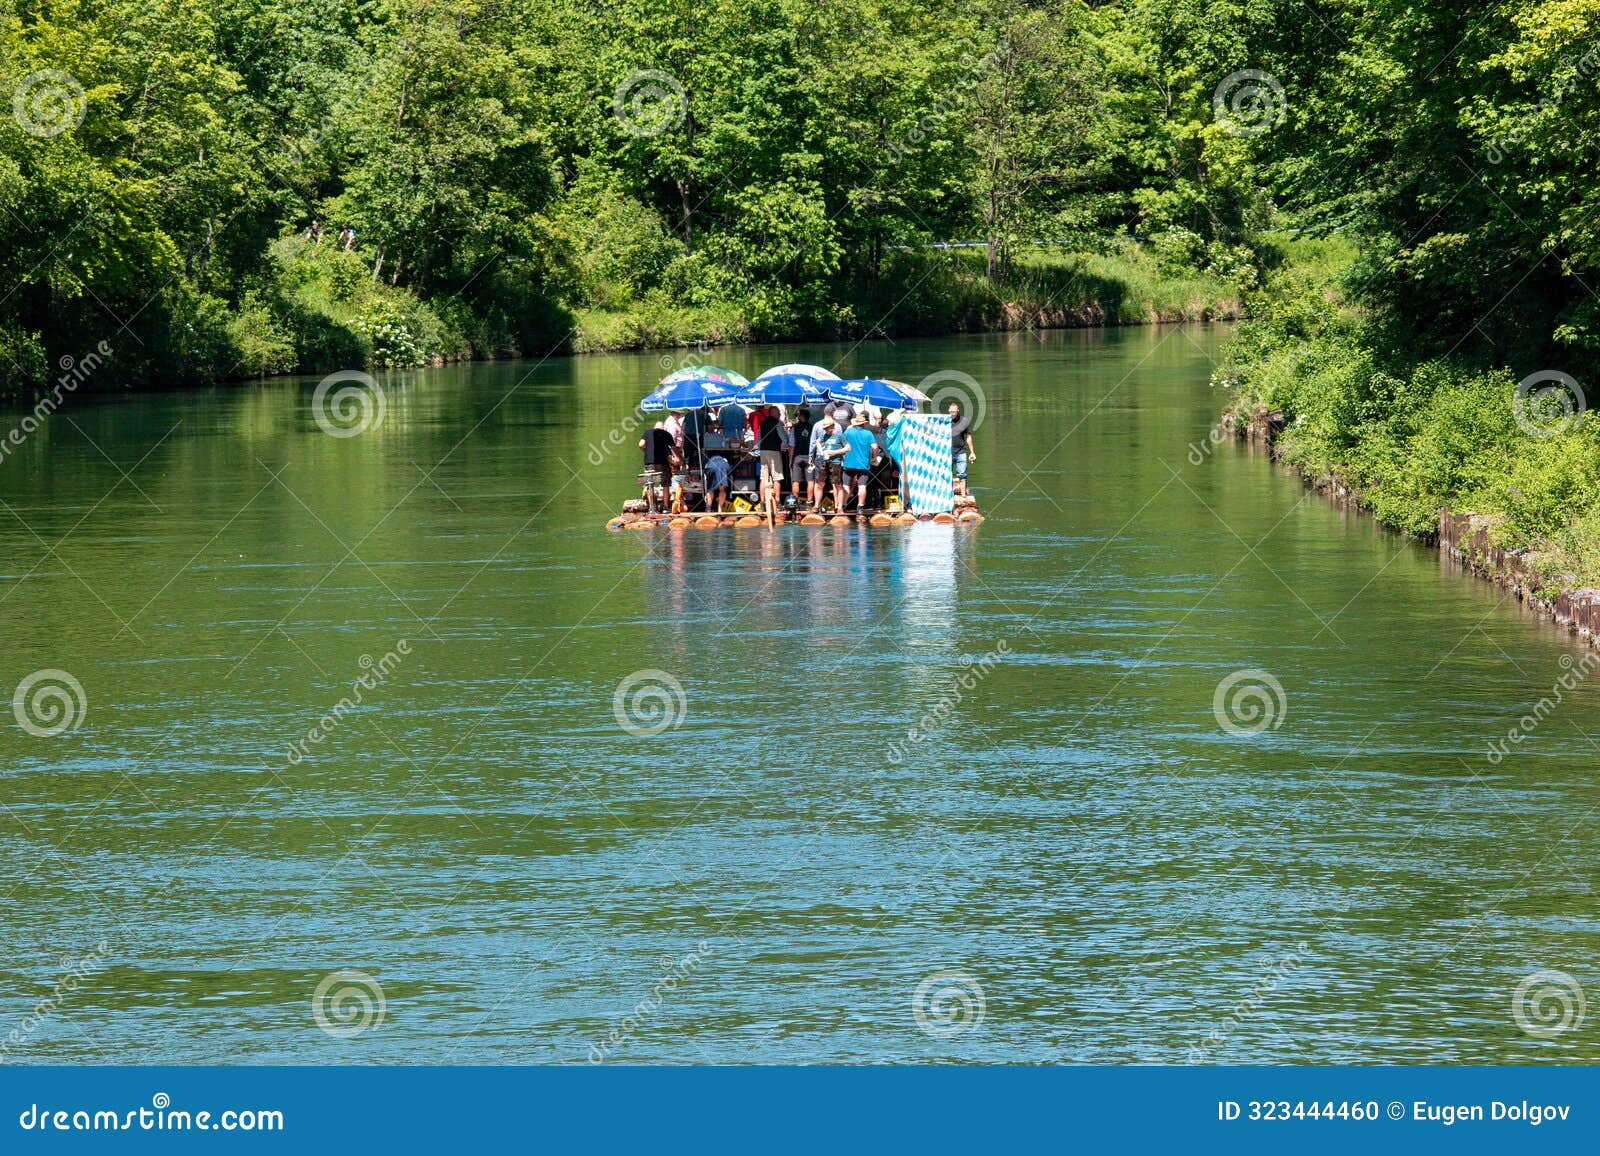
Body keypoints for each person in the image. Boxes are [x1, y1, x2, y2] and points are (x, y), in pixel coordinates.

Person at [638, 421, 677, 513]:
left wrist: (646, 451)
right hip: (663, 463)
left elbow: (640, 445)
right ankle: (666, 508)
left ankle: (652, 508)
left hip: (649, 463)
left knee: (650, 484)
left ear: (654, 427)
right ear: (663, 428)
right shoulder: (666, 434)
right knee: (665, 484)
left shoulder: (647, 432)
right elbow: (674, 448)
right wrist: (678, 459)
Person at [841, 413, 876, 512]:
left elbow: (842, 444)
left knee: (846, 485)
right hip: (863, 464)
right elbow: (875, 447)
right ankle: (860, 507)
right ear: (864, 424)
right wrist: (874, 457)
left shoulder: (848, 432)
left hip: (848, 463)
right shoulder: (868, 433)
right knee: (862, 486)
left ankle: (843, 505)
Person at [755, 404, 785, 519]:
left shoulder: (762, 423)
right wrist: (786, 444)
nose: (780, 415)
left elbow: (758, 440)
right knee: (777, 477)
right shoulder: (777, 424)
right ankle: (777, 502)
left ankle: (762, 504)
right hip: (774, 451)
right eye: (779, 413)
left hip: (763, 451)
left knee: (763, 477)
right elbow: (784, 439)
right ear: (774, 413)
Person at [817, 416, 847, 511]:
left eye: (827, 428)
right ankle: (816, 505)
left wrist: (835, 452)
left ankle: (840, 507)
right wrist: (821, 450)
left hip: (836, 462)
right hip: (825, 461)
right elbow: (817, 441)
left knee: (838, 485)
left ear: (832, 426)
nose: (825, 430)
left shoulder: (839, 436)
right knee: (819, 483)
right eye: (824, 428)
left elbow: (848, 448)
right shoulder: (824, 435)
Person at [949, 401, 975, 496]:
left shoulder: (964, 421)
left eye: (954, 412)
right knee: (947, 474)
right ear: (949, 411)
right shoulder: (945, 421)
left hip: (961, 452)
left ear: (958, 411)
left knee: (962, 474)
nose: (952, 414)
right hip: (948, 452)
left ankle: (963, 495)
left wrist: (972, 452)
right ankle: (949, 495)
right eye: (951, 412)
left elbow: (968, 437)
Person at [788, 406, 813, 503]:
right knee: (810, 481)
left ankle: (795, 502)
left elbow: (791, 445)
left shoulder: (795, 428)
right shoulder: (812, 427)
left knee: (796, 481)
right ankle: (810, 502)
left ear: (800, 416)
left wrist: (790, 460)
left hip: (797, 457)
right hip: (809, 457)